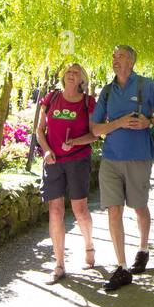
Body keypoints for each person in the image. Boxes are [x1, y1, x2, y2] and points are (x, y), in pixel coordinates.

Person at [90, 44, 154, 291]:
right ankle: (122, 268)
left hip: (139, 157)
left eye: (121, 56)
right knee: (113, 211)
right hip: (111, 159)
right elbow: (95, 129)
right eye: (113, 56)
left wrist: (150, 121)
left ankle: (143, 249)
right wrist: (119, 122)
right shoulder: (106, 92)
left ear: (132, 62)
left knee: (138, 207)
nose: (115, 60)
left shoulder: (146, 86)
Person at [35, 63, 97, 283]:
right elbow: (39, 130)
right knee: (55, 210)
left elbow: (94, 135)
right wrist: (47, 151)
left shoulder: (88, 103)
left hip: (78, 160)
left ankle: (89, 245)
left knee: (80, 209)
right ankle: (59, 264)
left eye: (76, 72)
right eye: (69, 72)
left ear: (82, 79)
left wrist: (76, 142)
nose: (72, 75)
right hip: (53, 161)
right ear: (63, 77)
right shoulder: (51, 98)